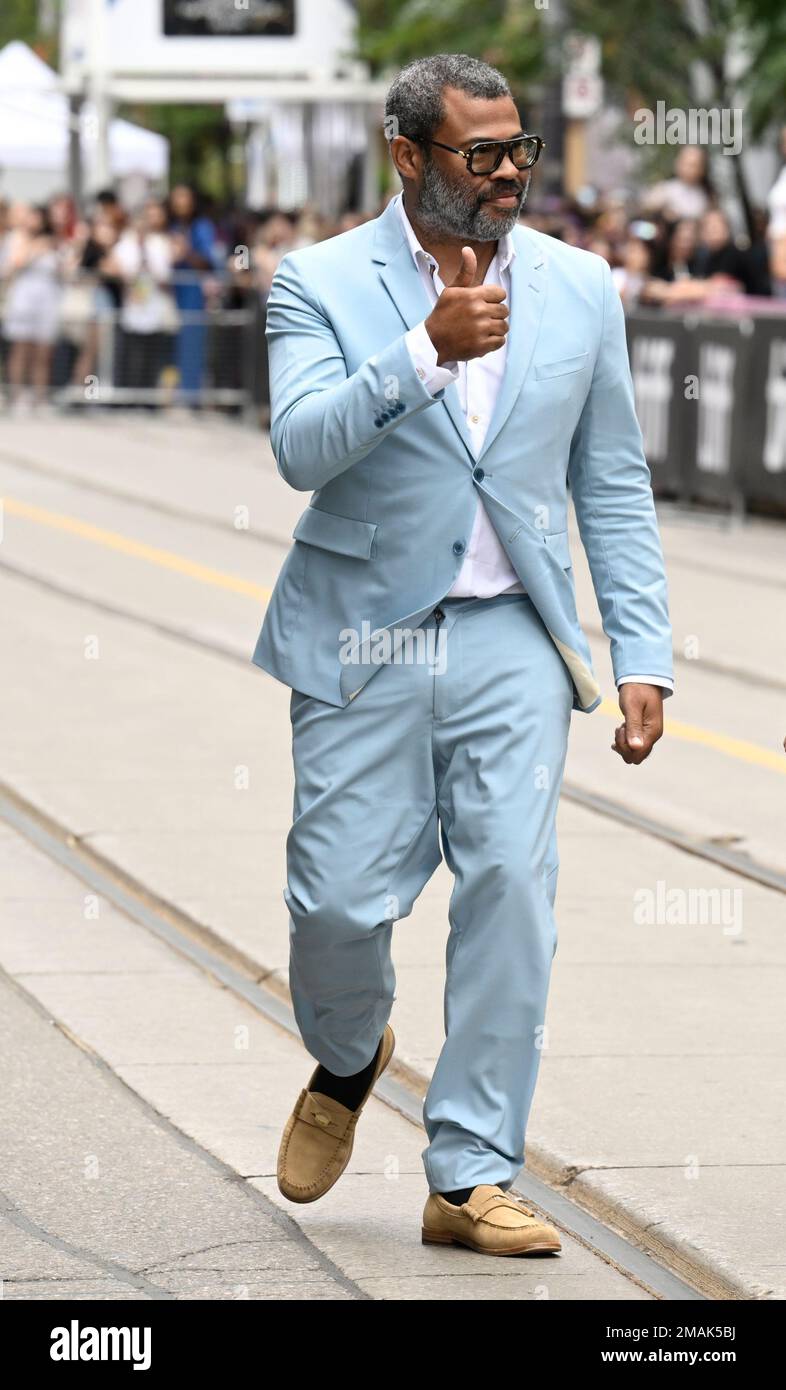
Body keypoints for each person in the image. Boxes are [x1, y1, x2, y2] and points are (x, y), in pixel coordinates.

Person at [252, 54, 674, 1258]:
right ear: (408, 155)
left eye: (519, 151)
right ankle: (347, 1053)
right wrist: (421, 352)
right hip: (362, 634)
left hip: (513, 637)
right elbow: (300, 447)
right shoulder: (319, 281)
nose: (506, 176)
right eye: (478, 155)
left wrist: (642, 648)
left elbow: (612, 482)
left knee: (510, 891)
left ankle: (470, 1170)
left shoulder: (581, 288)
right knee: (333, 902)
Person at [1, 203, 62, 411]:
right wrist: (36, 248)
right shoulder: (16, 238)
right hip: (23, 299)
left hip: (47, 299)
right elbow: (13, 264)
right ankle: (17, 395)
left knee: (43, 352)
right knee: (21, 349)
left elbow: (61, 270)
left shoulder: (53, 242)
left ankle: (40, 396)